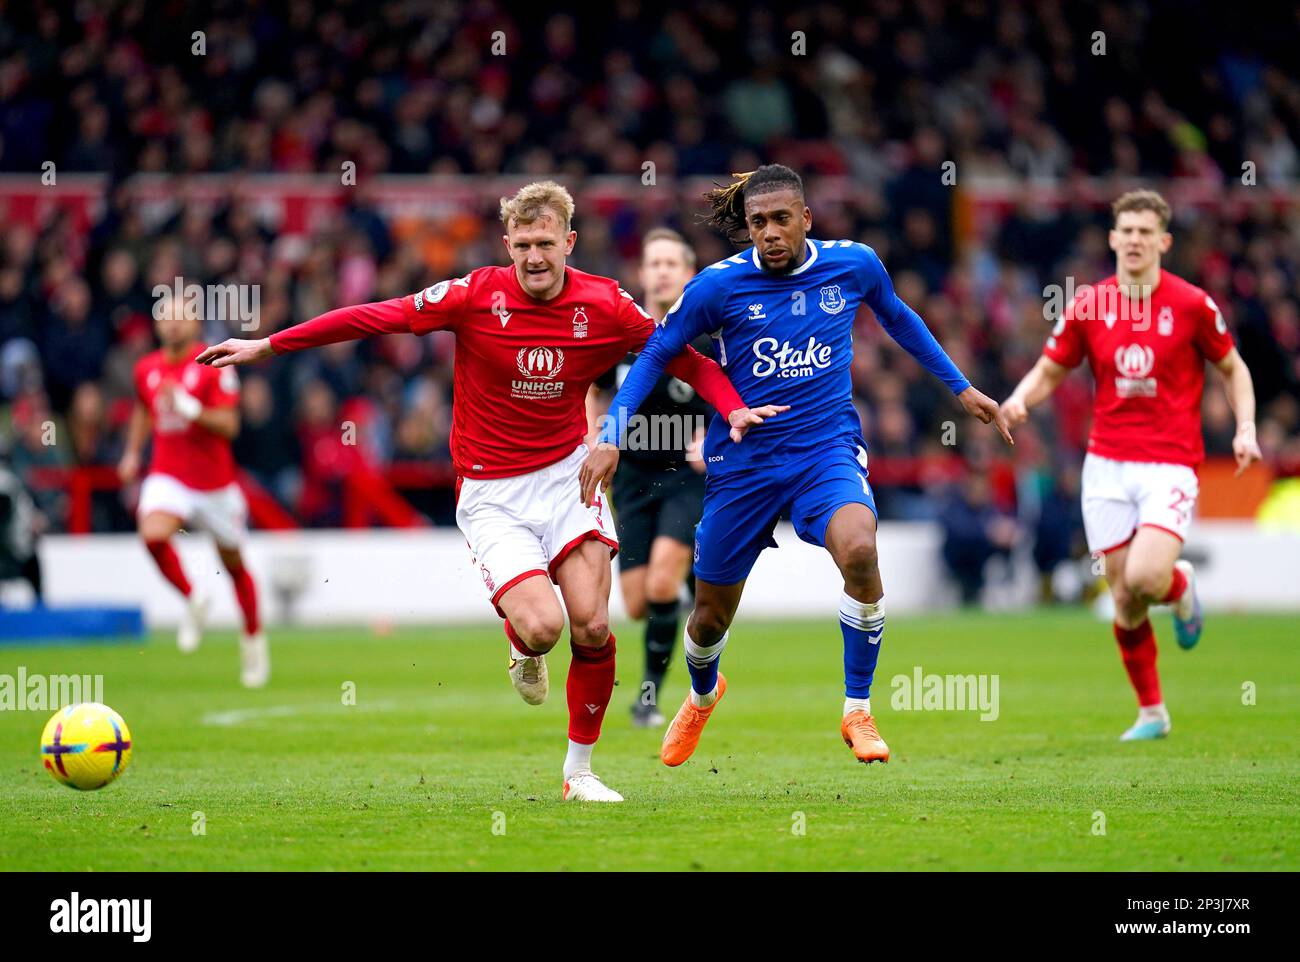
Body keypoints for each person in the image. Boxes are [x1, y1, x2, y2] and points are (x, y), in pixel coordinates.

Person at [198, 181, 782, 802]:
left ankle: (578, 773)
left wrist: (733, 408)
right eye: (523, 245)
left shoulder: (605, 305)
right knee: (544, 629)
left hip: (567, 479)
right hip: (492, 493)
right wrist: (270, 344)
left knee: (590, 624)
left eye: (546, 244)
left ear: (569, 242)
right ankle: (519, 642)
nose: (534, 257)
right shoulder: (475, 295)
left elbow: (682, 358)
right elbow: (376, 316)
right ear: (508, 245)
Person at [581, 165, 1011, 768]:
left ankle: (857, 708)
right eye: (758, 223)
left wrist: (960, 389)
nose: (771, 233)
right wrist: (612, 433)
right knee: (707, 618)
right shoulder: (717, 287)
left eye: (782, 219)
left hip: (824, 449)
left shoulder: (855, 264)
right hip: (744, 463)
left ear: (806, 217)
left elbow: (899, 318)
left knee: (860, 549)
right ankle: (703, 695)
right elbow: (658, 350)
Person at [1001, 189, 1261, 740]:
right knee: (1122, 594)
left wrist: (1245, 428)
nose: (1137, 240)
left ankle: (1179, 586)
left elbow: (1233, 369)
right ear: (1114, 238)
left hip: (1170, 462)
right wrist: (1021, 399)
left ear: (1163, 241)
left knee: (1146, 576)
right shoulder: (1089, 305)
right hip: (1107, 466)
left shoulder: (1192, 304)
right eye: (1128, 231)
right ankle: (1152, 713)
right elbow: (1051, 369)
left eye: (1148, 232)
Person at [118, 308, 269, 688]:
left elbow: (230, 425)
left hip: (215, 484)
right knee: (152, 534)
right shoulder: (146, 369)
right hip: (168, 474)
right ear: (156, 324)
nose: (173, 323)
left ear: (195, 323)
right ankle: (193, 596)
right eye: (165, 316)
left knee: (234, 565)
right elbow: (142, 407)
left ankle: (253, 641)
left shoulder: (214, 362)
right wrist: (133, 452)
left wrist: (191, 408)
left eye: (181, 316)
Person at [597, 228, 710, 727]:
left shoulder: (704, 336)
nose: (662, 270)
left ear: (688, 274)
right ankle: (690, 582)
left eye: (671, 262)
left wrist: (713, 437)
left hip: (686, 477)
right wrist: (592, 441)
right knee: (640, 603)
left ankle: (647, 698)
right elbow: (593, 389)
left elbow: (734, 395)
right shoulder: (622, 333)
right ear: (642, 274)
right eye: (653, 262)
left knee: (661, 582)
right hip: (632, 480)